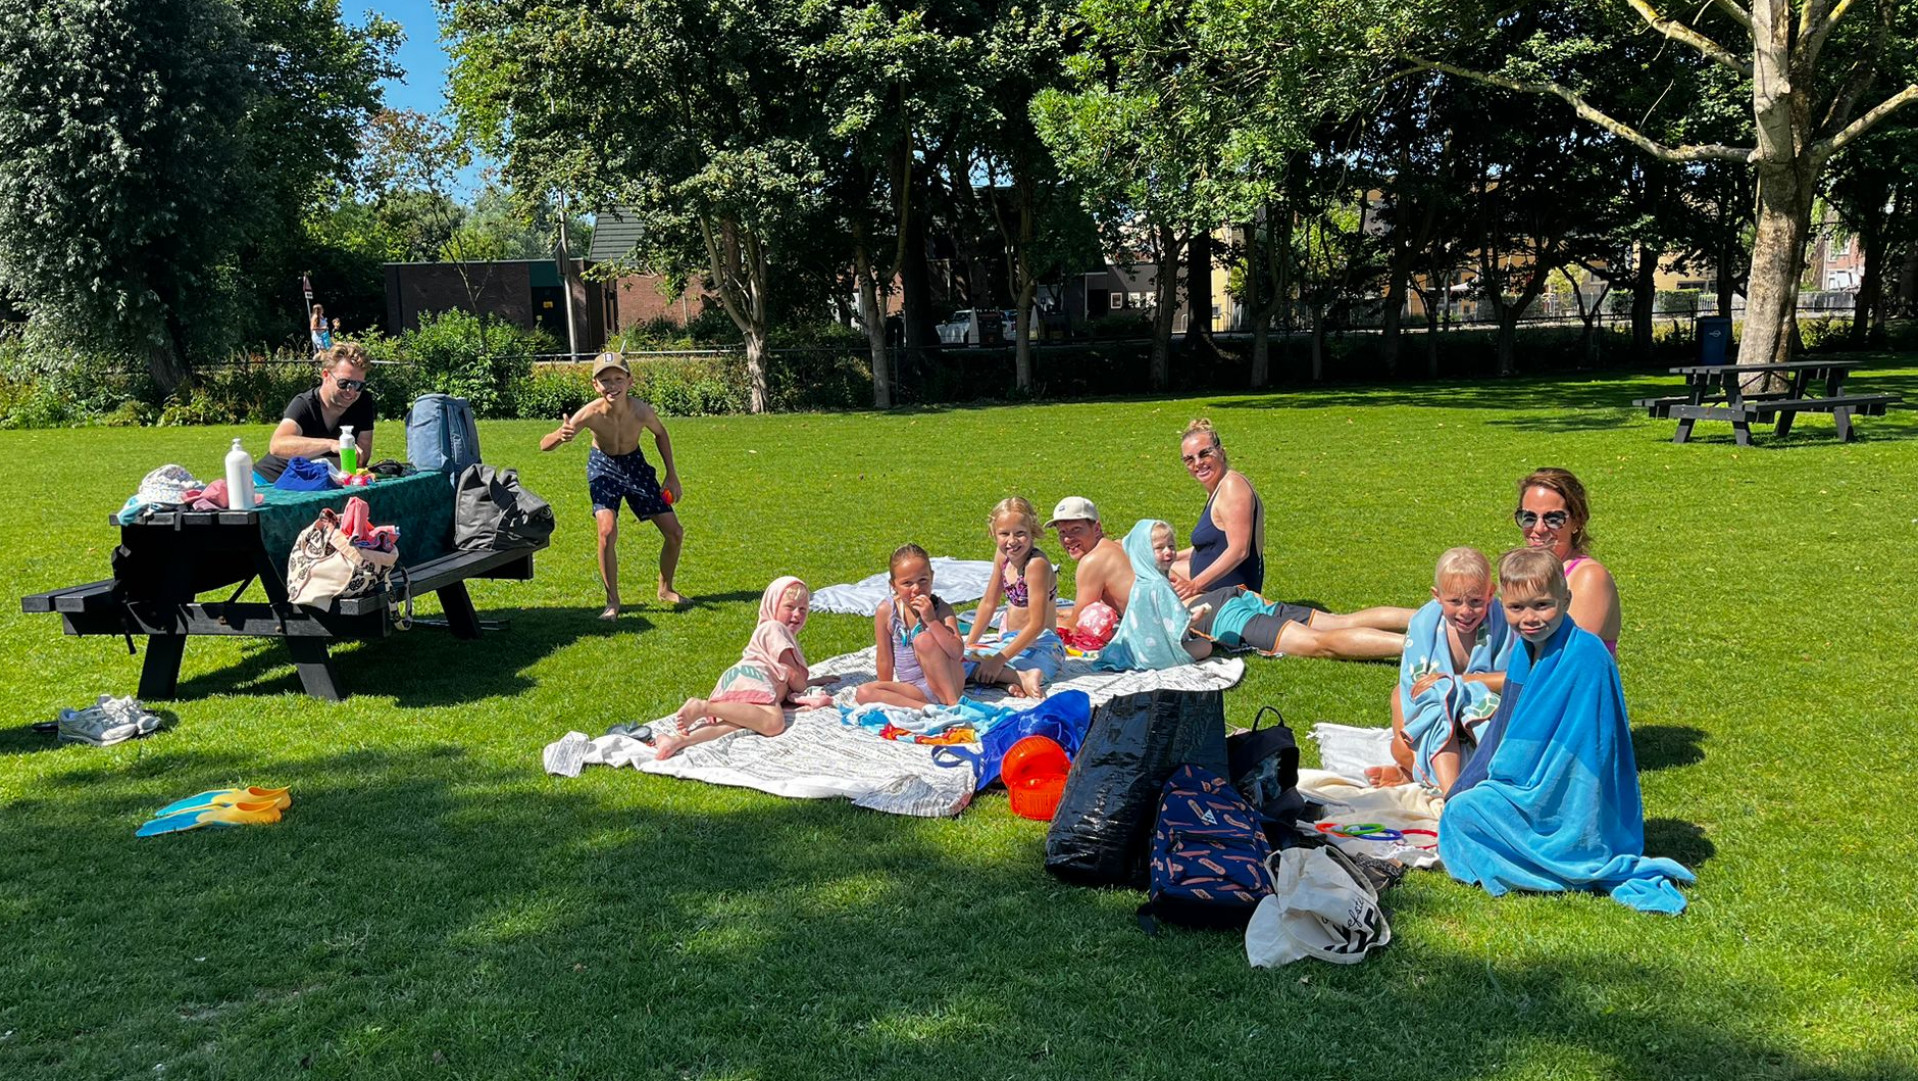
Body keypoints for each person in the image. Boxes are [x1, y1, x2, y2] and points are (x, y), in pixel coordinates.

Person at [1438, 548, 1694, 913]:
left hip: (1575, 798)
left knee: (1471, 815)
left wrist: (1527, 783)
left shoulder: (1589, 655)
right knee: (1459, 812)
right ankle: (1532, 852)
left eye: (1542, 605)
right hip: (1526, 786)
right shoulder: (1524, 650)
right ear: (1502, 606)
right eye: (1516, 608)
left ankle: (1556, 861)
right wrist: (1468, 784)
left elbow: (1597, 745)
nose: (1529, 618)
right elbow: (1505, 728)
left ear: (1566, 600)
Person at [1170, 419, 1411, 655]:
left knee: (1320, 641)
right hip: (1229, 595)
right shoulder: (1220, 488)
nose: (1198, 463)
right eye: (1189, 459)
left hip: (1228, 598)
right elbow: (1211, 546)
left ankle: (1419, 645)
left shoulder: (1232, 486)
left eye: (1205, 454)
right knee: (1340, 623)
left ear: (1221, 452)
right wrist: (1168, 558)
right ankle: (1427, 619)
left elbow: (1239, 549)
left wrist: (1195, 585)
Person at [540, 353, 685, 619]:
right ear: (595, 385)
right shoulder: (590, 413)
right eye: (605, 380)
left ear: (630, 381)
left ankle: (666, 589)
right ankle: (612, 602)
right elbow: (543, 445)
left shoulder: (641, 411)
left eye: (618, 379)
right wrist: (560, 435)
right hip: (603, 466)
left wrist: (671, 475)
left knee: (674, 533)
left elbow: (660, 434)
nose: (612, 385)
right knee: (606, 532)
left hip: (635, 465)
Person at [1366, 547, 1515, 790]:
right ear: (1437, 596)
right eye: (1455, 601)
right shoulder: (1423, 624)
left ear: (1490, 592)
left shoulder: (1504, 624)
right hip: (1437, 719)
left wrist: (1456, 683)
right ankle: (1420, 775)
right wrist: (1447, 692)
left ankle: (1445, 788)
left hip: (1479, 723)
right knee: (1401, 740)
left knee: (1455, 698)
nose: (1465, 611)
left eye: (1476, 601)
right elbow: (1413, 687)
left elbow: (1515, 679)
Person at [653, 577, 834, 760]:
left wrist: (815, 681)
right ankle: (704, 707)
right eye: (790, 607)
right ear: (772, 605)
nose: (797, 614)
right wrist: (805, 685)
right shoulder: (775, 629)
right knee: (774, 724)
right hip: (753, 679)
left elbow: (785, 678)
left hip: (738, 679)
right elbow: (793, 678)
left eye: (803, 609)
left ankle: (677, 741)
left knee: (739, 721)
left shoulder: (769, 631)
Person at [961, 497, 1063, 698]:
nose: (1012, 541)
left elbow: (1037, 624)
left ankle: (1018, 676)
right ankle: (1011, 680)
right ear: (994, 533)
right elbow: (989, 603)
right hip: (1011, 641)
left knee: (983, 668)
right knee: (952, 664)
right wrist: (970, 644)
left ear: (1032, 531)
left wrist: (999, 659)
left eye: (1020, 533)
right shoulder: (1003, 558)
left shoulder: (1036, 565)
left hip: (1043, 645)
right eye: (1004, 534)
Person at [1515, 467, 1620, 652]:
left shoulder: (1589, 577)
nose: (1538, 529)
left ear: (1577, 521)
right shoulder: (1525, 572)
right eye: (1529, 517)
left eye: (1553, 519)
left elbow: (1568, 658)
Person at [856, 544, 966, 708]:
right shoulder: (887, 611)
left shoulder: (941, 609)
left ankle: (953, 704)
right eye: (907, 583)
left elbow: (957, 652)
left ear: (932, 577)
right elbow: (884, 659)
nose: (916, 589)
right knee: (864, 693)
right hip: (915, 689)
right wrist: (886, 690)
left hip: (948, 685)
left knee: (923, 640)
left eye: (923, 580)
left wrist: (931, 621)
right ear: (894, 585)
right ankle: (928, 709)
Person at [1095, 520, 1212, 670]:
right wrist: (1198, 616)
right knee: (1205, 645)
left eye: (1171, 546)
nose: (1168, 552)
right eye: (1159, 548)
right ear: (1144, 553)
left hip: (1134, 651)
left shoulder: (1140, 582)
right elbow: (1179, 623)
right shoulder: (1160, 585)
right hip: (1157, 655)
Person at [257, 343, 375, 484]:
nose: (352, 392)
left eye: (359, 385)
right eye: (344, 383)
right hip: (268, 479)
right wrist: (332, 445)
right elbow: (277, 445)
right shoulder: (304, 404)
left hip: (315, 483)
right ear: (326, 375)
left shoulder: (363, 402)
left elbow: (362, 456)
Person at [1047, 496, 1133, 632]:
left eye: (1076, 529)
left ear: (1097, 528)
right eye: (1062, 532)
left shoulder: (1094, 561)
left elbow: (1076, 626)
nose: (1067, 539)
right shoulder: (1115, 546)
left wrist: (1032, 622)